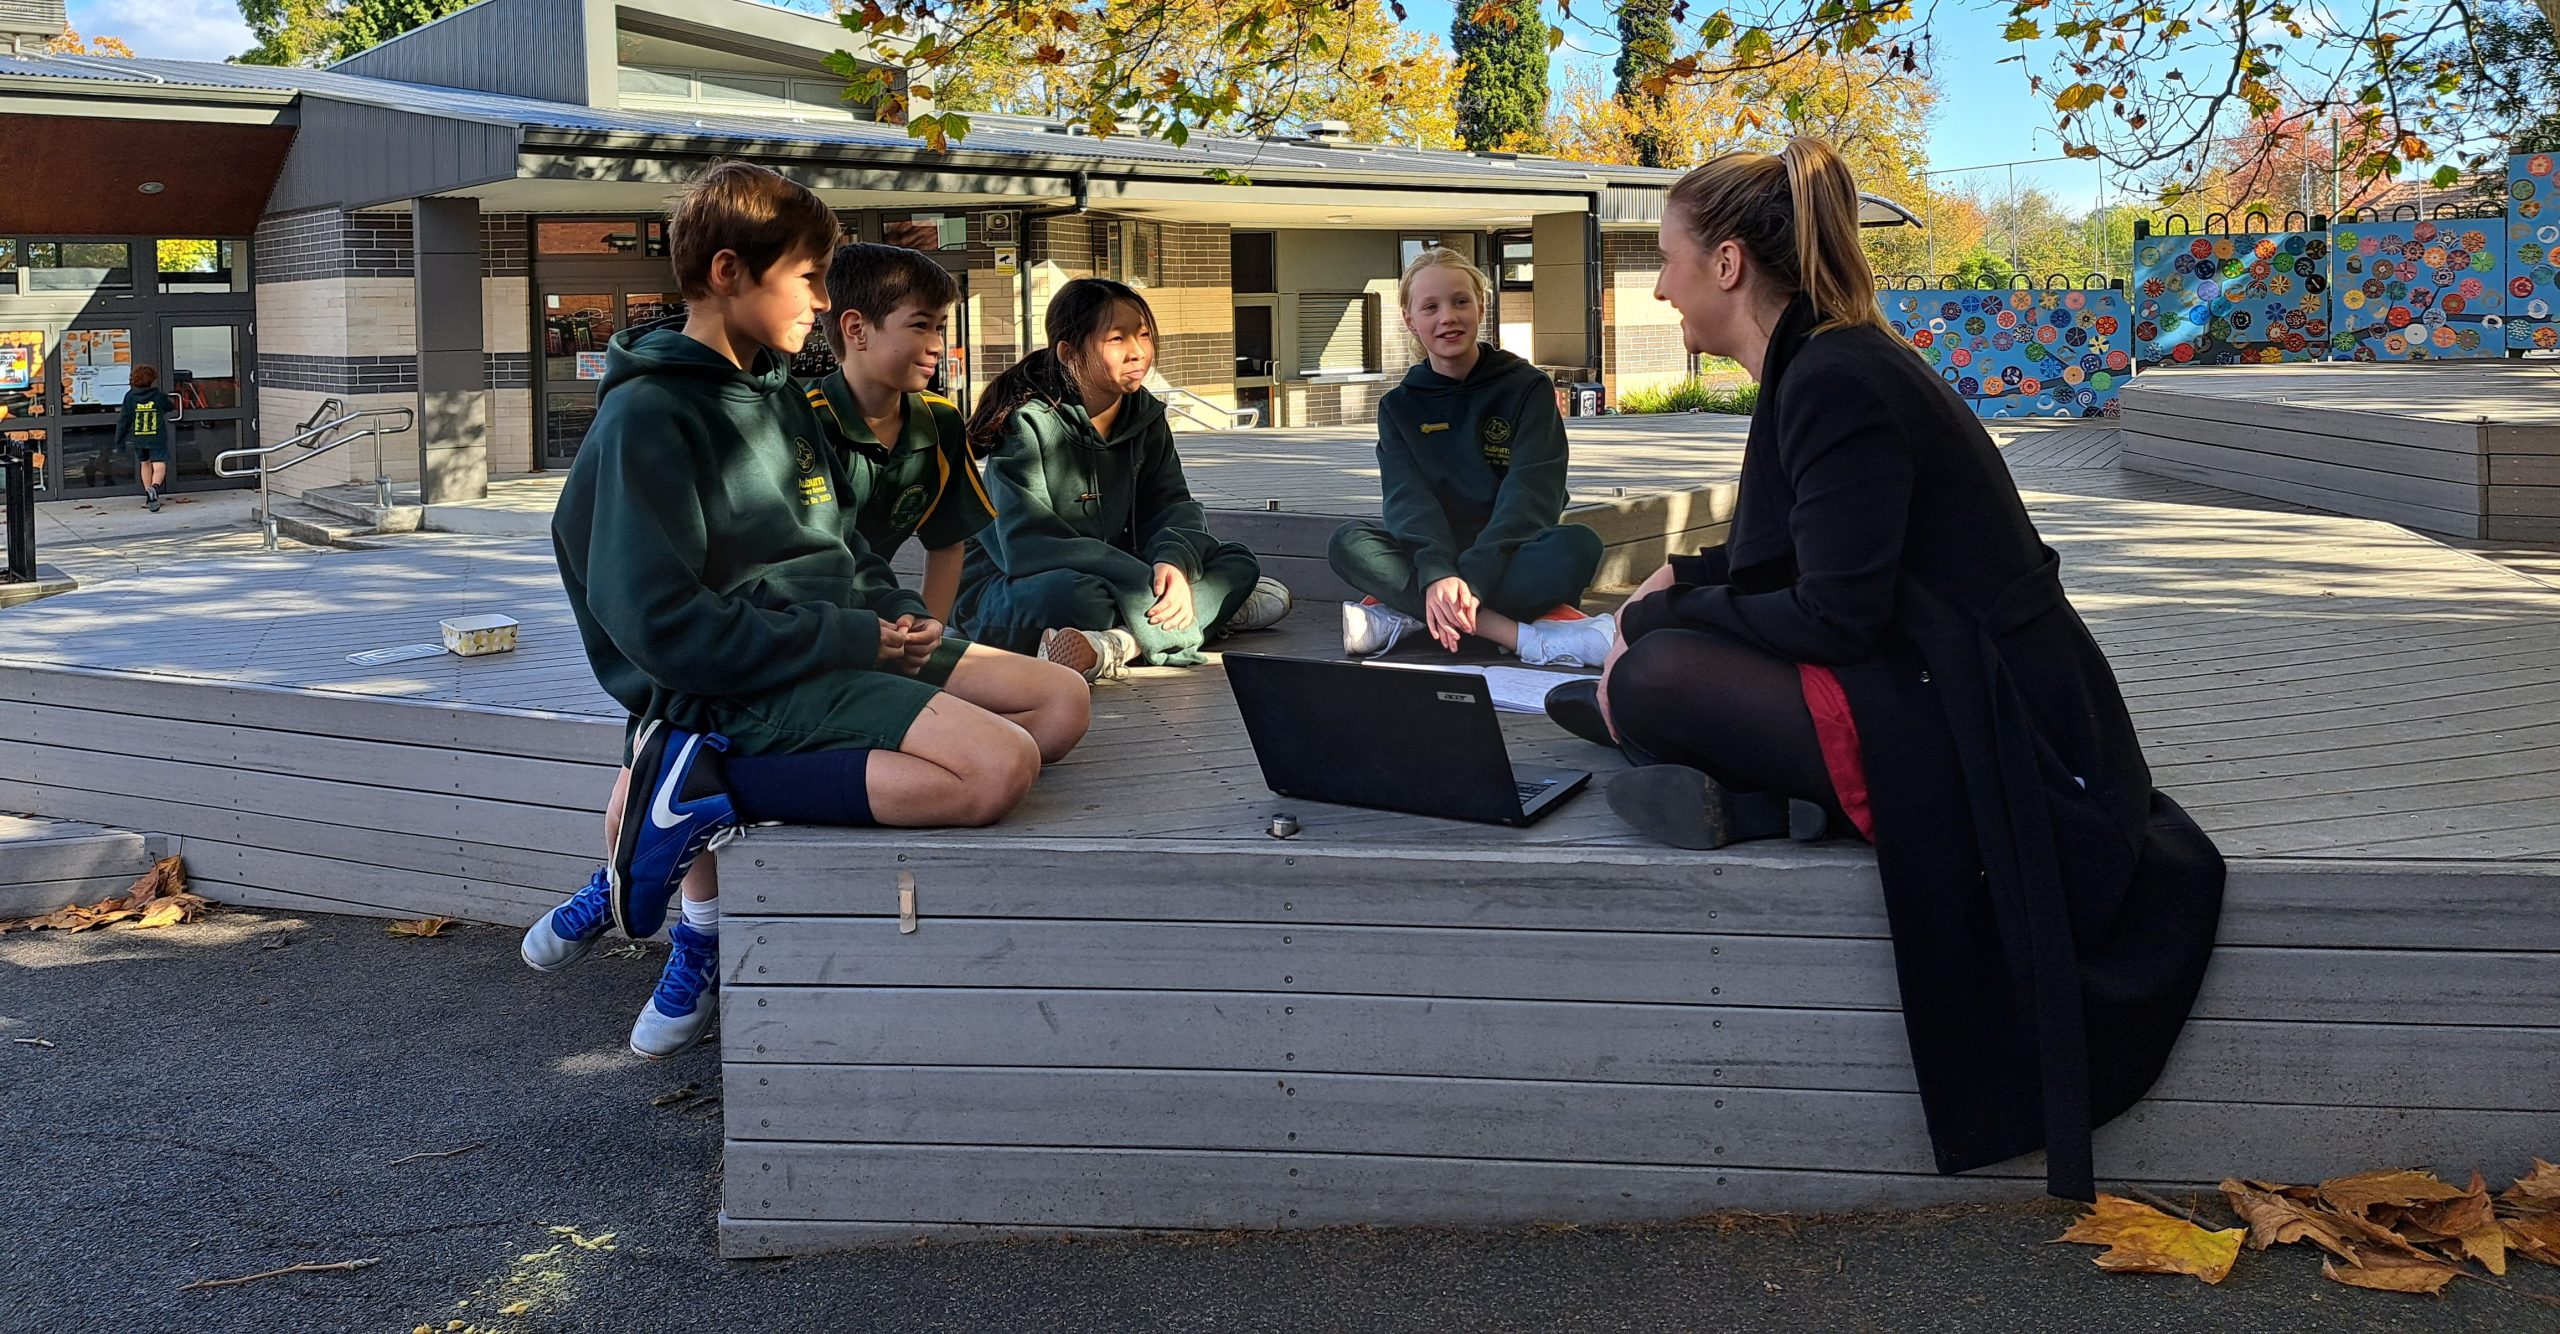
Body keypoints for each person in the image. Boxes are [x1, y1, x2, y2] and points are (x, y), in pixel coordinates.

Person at [1547, 137, 2222, 1203]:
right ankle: (1717, 761)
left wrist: (1677, 608)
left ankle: (1709, 758)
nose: (1662, 283)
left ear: (1727, 264)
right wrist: (1685, 568)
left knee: (1656, 676)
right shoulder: (1821, 360)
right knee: (1661, 655)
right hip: (1934, 669)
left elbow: (1835, 608)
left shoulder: (1833, 376)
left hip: (1988, 714)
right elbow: (1818, 551)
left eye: (1667, 258)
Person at [524, 163, 1091, 1060]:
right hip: (756, 676)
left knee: (1058, 704)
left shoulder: (777, 391)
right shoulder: (648, 419)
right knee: (996, 768)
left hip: (830, 642)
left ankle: (687, 800)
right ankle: (687, 799)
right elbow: (662, 627)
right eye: (807, 276)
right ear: (726, 274)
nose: (824, 301)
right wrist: (847, 636)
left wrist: (894, 614)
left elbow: (835, 544)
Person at [954, 277, 1292, 680]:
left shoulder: (1146, 416)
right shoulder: (1027, 425)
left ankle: (1113, 644)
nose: (1137, 352)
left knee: (1236, 561)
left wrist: (1172, 562)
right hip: (1011, 587)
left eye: (1144, 334)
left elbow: (1172, 506)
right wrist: (1143, 579)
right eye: (1117, 339)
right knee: (1077, 599)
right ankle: (1204, 616)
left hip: (1124, 575)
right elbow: (1025, 546)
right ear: (1068, 352)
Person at [1330, 247, 1613, 664]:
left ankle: (1412, 616)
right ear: (1411, 320)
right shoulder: (1399, 406)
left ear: (1481, 307)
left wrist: (1472, 580)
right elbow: (1408, 502)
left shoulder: (1526, 388)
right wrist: (1439, 571)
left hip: (1510, 553)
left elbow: (1532, 495)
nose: (1448, 316)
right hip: (1430, 555)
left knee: (1577, 545)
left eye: (1461, 301)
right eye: (1431, 307)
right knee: (1347, 543)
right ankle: (1514, 633)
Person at [117, 365, 176, 512]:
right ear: (152, 380)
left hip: (139, 437)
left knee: (145, 463)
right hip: (157, 436)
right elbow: (170, 406)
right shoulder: (158, 395)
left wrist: (120, 441)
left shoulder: (130, 397)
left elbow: (124, 420)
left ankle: (148, 493)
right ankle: (155, 489)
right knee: (159, 464)